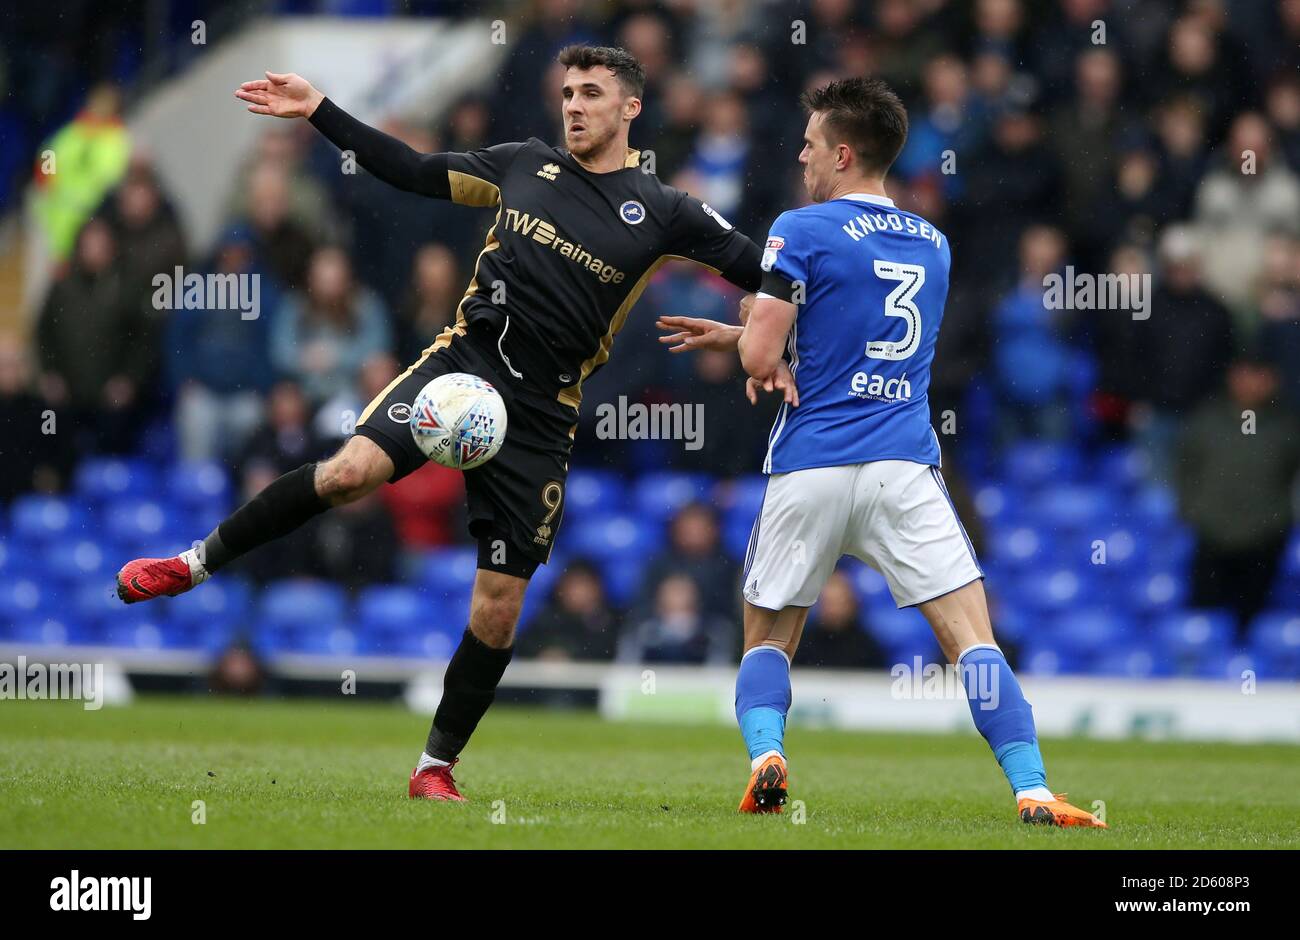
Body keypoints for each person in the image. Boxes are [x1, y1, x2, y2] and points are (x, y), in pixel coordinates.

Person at [115, 46, 763, 802]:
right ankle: (191, 566)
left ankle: (434, 768)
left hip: (541, 416)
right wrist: (320, 109)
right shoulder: (524, 165)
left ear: (631, 109)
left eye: (593, 93)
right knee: (347, 473)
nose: (575, 105)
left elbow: (766, 268)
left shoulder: (664, 210)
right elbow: (412, 169)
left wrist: (755, 326)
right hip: (462, 368)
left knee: (497, 605)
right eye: (568, 93)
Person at [658, 77, 1105, 828]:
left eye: (808, 144)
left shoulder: (800, 228)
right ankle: (1032, 788)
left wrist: (751, 345)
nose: (800, 157)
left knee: (768, 637)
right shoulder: (934, 242)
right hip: (903, 463)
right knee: (972, 641)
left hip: (814, 462)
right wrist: (763, 340)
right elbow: (858, 335)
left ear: (841, 151)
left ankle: (768, 755)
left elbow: (765, 357)